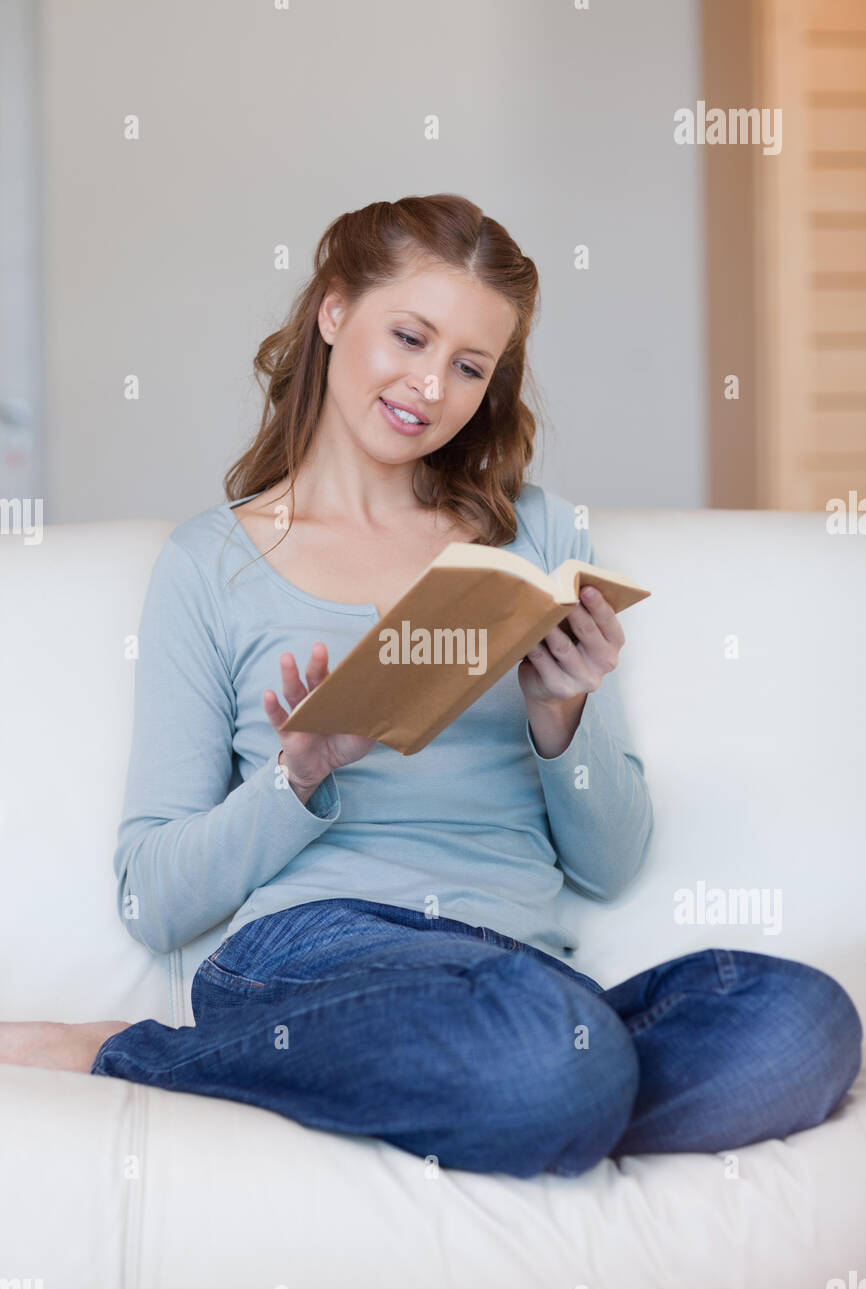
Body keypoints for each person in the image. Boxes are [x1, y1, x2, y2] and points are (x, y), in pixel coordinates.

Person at [3, 194, 860, 1179]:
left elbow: (610, 864)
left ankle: (531, 1094)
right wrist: (300, 776)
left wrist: (559, 713)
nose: (429, 385)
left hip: (514, 976)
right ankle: (136, 1055)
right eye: (408, 336)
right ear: (333, 312)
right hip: (314, 952)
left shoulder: (534, 537)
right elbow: (152, 898)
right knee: (548, 1061)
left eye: (467, 365)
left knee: (802, 1026)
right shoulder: (210, 562)